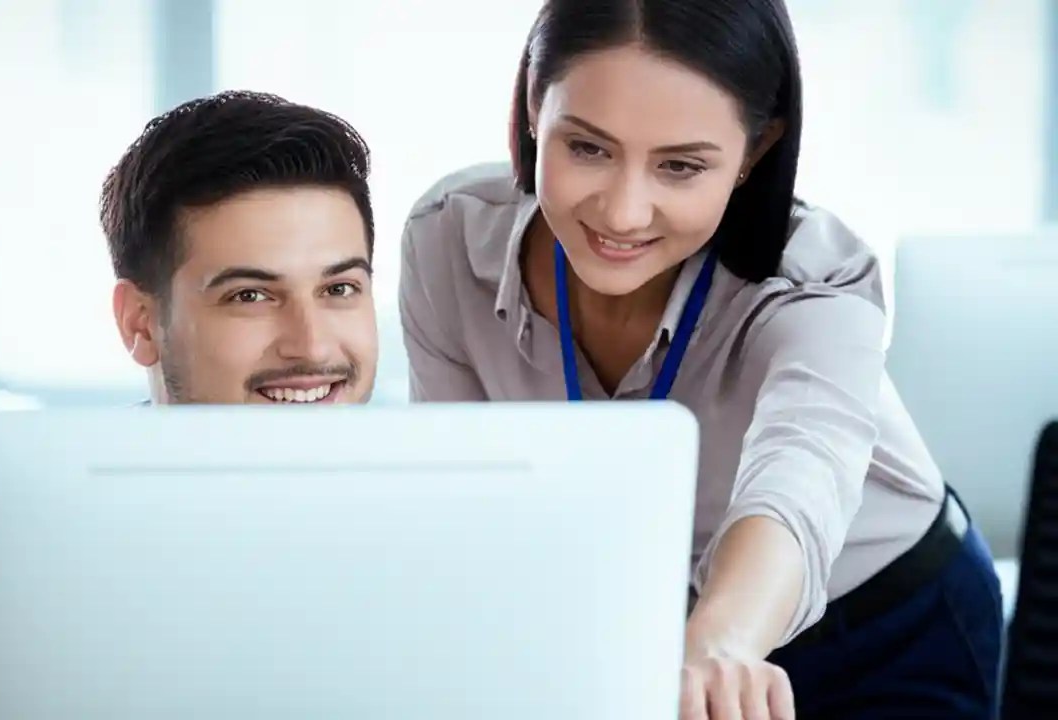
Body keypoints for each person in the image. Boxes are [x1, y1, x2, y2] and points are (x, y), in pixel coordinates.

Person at [398, 1, 1002, 717]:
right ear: (535, 103)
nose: (622, 213)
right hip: (634, 627)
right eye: (587, 148)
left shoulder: (817, 280)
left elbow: (798, 479)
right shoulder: (449, 239)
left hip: (878, 621)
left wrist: (722, 641)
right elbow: (471, 504)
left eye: (680, 166)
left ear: (755, 151)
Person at [0, 90, 380, 719]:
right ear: (141, 322)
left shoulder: (445, 510)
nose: (311, 344)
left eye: (339, 287)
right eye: (250, 295)